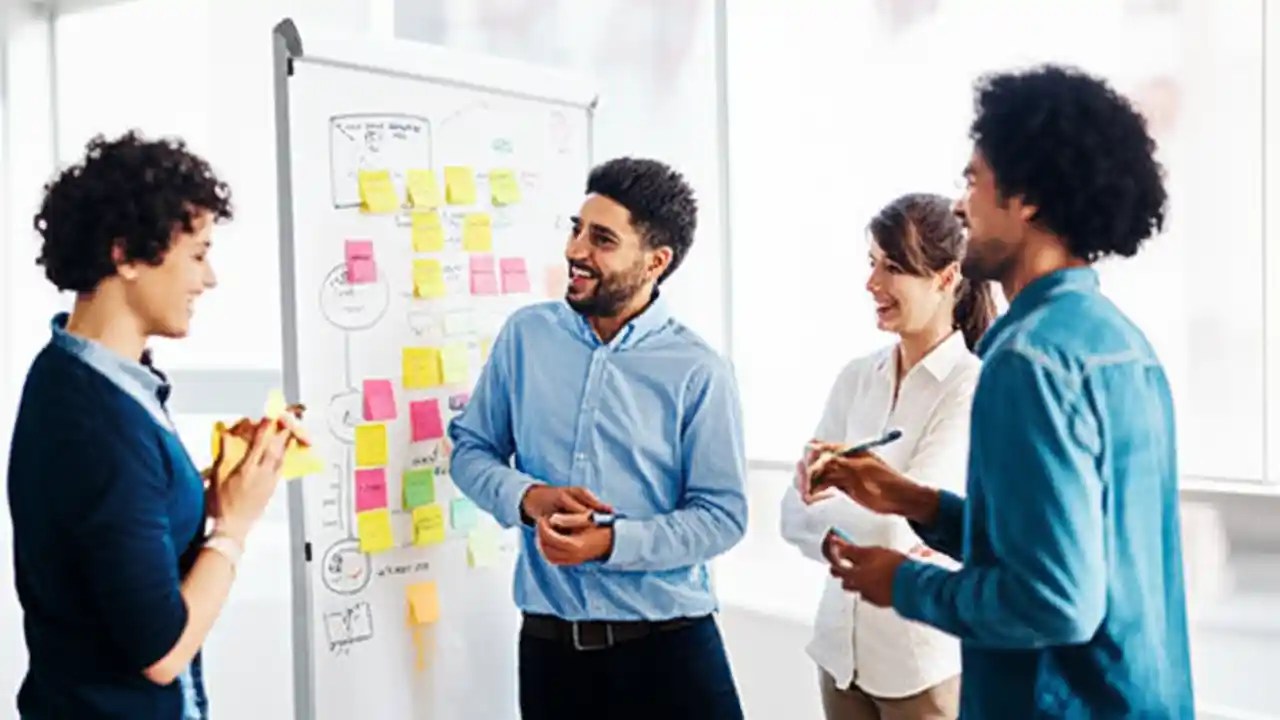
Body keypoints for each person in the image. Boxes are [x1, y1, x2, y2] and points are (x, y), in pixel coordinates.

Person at [811, 65, 1194, 718]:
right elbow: (1060, 550)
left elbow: (1055, 600)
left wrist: (904, 583)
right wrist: (917, 501)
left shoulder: (1027, 359)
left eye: (972, 180)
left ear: (1027, 199)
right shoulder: (1122, 344)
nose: (961, 205)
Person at [7, 131, 293, 719]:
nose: (208, 279)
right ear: (127, 256)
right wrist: (234, 528)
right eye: (198, 254)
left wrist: (210, 496)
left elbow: (125, 520)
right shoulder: (94, 421)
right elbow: (160, 651)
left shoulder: (94, 376)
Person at [449, 157, 748, 719]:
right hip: (551, 654)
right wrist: (528, 498)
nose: (575, 250)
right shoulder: (526, 337)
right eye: (577, 228)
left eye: (602, 239)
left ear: (656, 262)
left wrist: (611, 543)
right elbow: (471, 450)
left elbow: (722, 515)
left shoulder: (697, 368)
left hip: (669, 652)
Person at [781, 193, 994, 720]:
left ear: (946, 277)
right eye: (872, 263)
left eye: (892, 267)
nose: (872, 283)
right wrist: (844, 520)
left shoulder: (972, 386)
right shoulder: (857, 378)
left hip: (917, 665)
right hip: (838, 654)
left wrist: (838, 504)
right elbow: (791, 513)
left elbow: (904, 527)